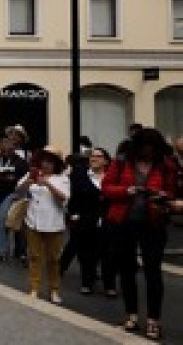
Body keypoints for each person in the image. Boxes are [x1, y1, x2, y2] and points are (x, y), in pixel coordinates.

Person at [102, 128, 177, 340]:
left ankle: (154, 319)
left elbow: (172, 192)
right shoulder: (121, 161)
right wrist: (126, 191)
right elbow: (106, 187)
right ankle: (131, 314)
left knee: (153, 272)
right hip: (123, 222)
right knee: (127, 270)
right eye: (145, 147)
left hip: (153, 223)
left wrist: (161, 195)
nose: (148, 152)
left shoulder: (165, 165)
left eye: (152, 148)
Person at [17, 146, 70, 304]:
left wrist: (47, 184)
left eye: (50, 162)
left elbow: (64, 198)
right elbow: (18, 191)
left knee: (53, 259)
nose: (45, 164)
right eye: (44, 161)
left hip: (54, 224)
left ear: (56, 164)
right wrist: (28, 181)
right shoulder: (33, 174)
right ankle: (34, 288)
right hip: (33, 222)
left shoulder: (62, 179)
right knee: (34, 256)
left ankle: (54, 290)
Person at [66, 147, 116, 296]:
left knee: (109, 254)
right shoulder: (80, 176)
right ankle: (87, 283)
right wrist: (73, 214)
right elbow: (73, 197)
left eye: (98, 156)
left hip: (108, 220)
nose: (94, 158)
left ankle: (110, 285)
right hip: (86, 219)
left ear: (106, 161)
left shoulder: (111, 177)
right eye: (92, 156)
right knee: (86, 253)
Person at [0, 133, 29, 262]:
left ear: (13, 149)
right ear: (0, 148)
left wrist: (14, 179)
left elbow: (26, 177)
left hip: (13, 195)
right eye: (4, 150)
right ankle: (4, 250)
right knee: (2, 223)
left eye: (9, 150)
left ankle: (15, 251)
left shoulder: (20, 162)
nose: (6, 152)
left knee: (14, 222)